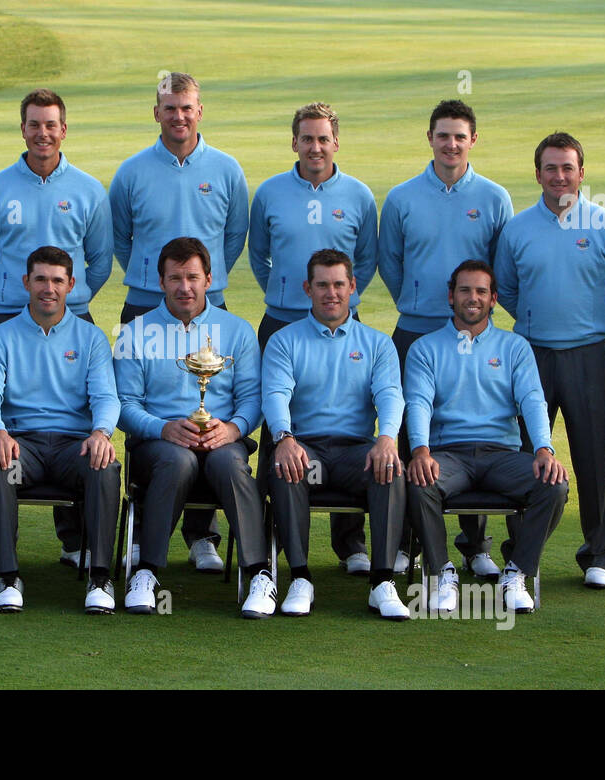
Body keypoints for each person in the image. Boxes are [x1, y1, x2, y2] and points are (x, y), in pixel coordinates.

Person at [108, 72, 248, 569]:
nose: (179, 116)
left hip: (208, 307)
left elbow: (234, 238)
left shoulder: (227, 169)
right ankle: (147, 527)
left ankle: (202, 533)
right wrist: (154, 278)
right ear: (157, 113)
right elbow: (120, 239)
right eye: (170, 107)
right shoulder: (131, 172)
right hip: (146, 303)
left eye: (187, 107)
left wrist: (197, 282)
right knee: (153, 421)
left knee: (205, 405)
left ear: (199, 111)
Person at [0, 89, 113, 564]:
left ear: (63, 129)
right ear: (23, 128)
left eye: (51, 124)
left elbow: (102, 258)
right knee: (12, 422)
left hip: (73, 315)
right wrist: (5, 295)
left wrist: (76, 295)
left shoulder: (90, 190)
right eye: (34, 124)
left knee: (68, 417)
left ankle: (75, 541)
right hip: (9, 313)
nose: (42, 132)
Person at [493, 132, 605, 589]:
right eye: (551, 168)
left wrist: (596, 329)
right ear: (537, 174)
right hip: (531, 355)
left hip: (588, 356)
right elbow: (508, 290)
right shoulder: (517, 229)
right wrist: (539, 323)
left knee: (593, 455)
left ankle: (598, 553)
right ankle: (519, 552)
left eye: (568, 167)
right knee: (525, 455)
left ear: (582, 172)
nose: (560, 176)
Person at [378, 99, 514, 579]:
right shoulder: (402, 197)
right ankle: (403, 541)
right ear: (429, 137)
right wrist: (417, 302)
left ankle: (475, 543)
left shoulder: (495, 198)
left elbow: (498, 270)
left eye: (460, 135)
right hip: (415, 330)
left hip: (473, 333)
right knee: (406, 435)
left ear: (472, 140)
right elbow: (390, 263)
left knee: (469, 430)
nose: (451, 143)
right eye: (442, 135)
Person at [248, 101, 379, 575]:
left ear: (336, 142)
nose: (316, 146)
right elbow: (257, 254)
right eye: (307, 138)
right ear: (294, 142)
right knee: (278, 425)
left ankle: (352, 543)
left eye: (324, 138)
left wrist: (334, 302)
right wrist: (288, 297)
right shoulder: (269, 193)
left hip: (344, 326)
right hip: (282, 323)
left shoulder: (360, 195)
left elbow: (365, 261)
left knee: (350, 422)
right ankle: (268, 542)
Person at [113, 237, 273, 618]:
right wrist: (163, 428)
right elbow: (122, 405)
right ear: (161, 281)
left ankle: (258, 574)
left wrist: (233, 430)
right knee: (178, 461)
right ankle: (146, 572)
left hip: (222, 439)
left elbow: (253, 399)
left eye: (193, 277)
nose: (185, 287)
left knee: (230, 465)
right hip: (159, 443)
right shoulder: (135, 332)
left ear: (209, 279)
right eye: (175, 278)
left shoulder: (236, 330)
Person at [404, 261, 569, 614]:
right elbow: (418, 402)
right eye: (464, 290)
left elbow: (532, 400)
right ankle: (441, 573)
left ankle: (517, 572)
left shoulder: (515, 347)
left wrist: (543, 448)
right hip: (449, 455)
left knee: (553, 484)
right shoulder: (425, 348)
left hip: (502, 455)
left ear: (494, 299)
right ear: (451, 296)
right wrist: (420, 451)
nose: (472, 298)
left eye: (481, 291)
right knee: (419, 481)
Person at [0, 246, 121, 614]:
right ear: (26, 282)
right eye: (40, 279)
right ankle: (8, 576)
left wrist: (101, 433)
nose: (48, 288)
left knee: (105, 465)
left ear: (70, 284)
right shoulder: (2, 337)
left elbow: (106, 397)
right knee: (1, 467)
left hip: (75, 449)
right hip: (24, 449)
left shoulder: (91, 338)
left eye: (57, 280)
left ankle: (100, 576)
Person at [263, 250, 409, 619]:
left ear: (353, 287)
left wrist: (387, 439)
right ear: (307, 289)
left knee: (390, 469)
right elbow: (276, 393)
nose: (332, 293)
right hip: (307, 452)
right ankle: (300, 577)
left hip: (353, 456)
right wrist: (284, 438)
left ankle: (382, 581)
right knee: (287, 468)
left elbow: (390, 394)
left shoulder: (376, 343)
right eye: (322, 285)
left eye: (339, 284)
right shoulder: (284, 340)